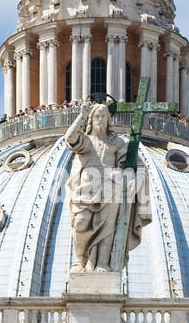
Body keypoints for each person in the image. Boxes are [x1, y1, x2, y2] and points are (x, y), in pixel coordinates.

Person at [64, 101, 150, 272]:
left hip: (111, 188)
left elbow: (135, 164)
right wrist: (81, 116)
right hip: (86, 188)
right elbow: (70, 138)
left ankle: (103, 262)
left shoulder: (116, 142)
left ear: (108, 120)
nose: (100, 119)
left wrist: (135, 177)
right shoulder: (86, 140)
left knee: (108, 227)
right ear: (90, 119)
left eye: (104, 116)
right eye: (96, 116)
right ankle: (80, 260)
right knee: (81, 223)